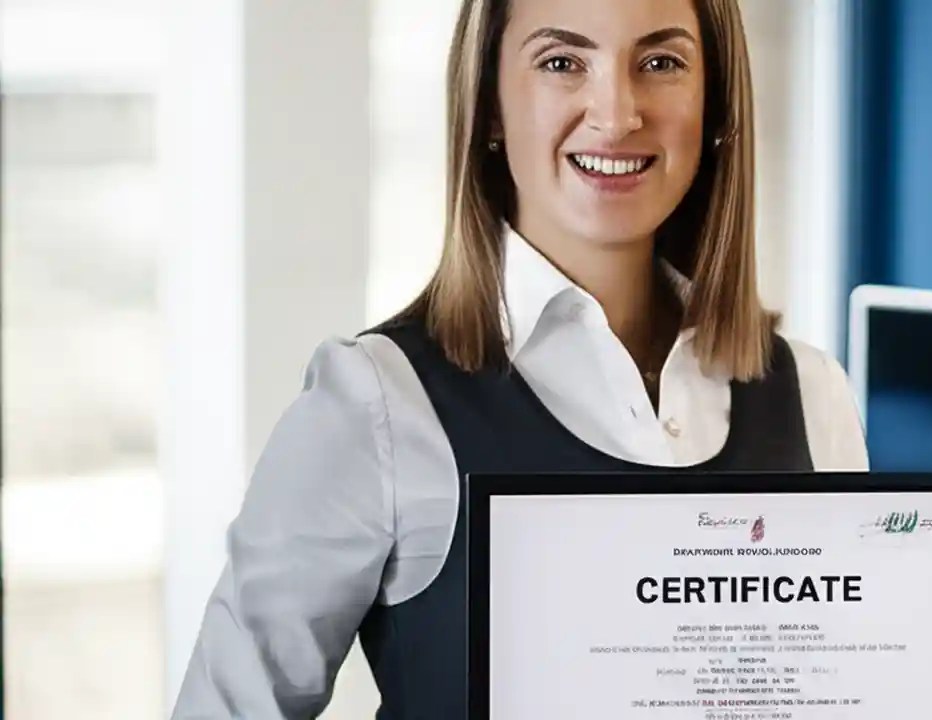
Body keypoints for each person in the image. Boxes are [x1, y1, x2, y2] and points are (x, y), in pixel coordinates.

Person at [171, 0, 869, 717]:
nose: (617, 112)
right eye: (562, 62)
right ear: (491, 107)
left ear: (715, 103)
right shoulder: (374, 404)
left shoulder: (813, 395)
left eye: (661, 63)